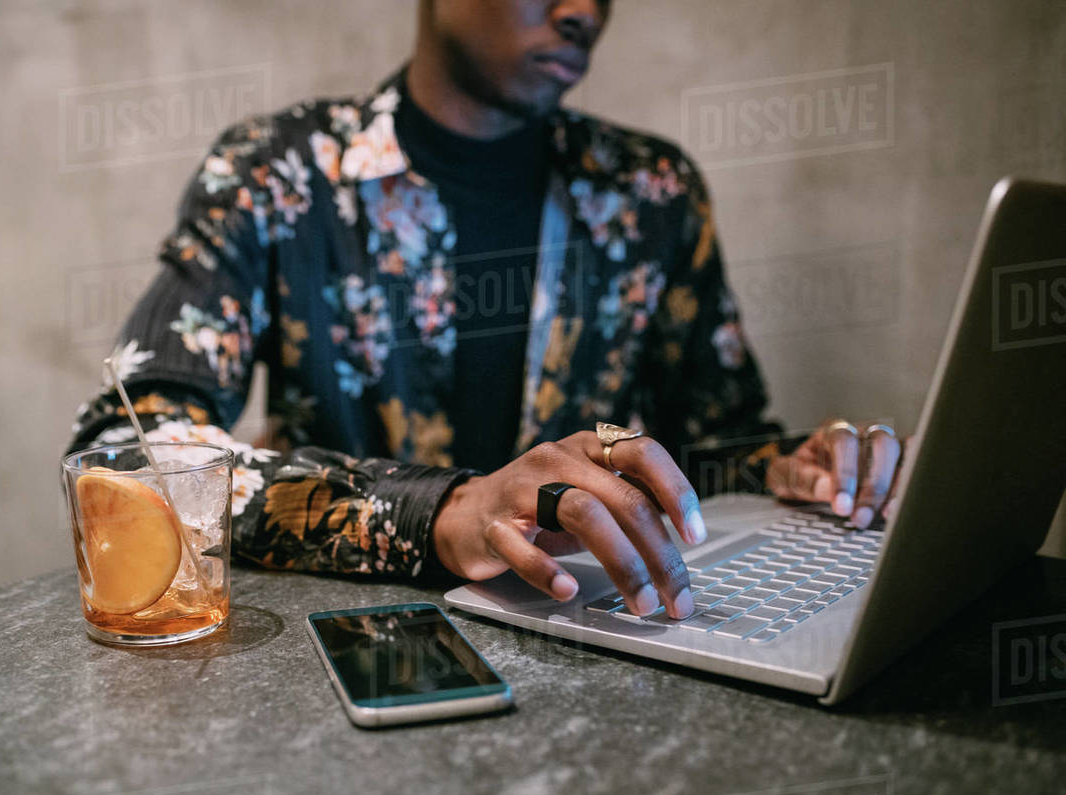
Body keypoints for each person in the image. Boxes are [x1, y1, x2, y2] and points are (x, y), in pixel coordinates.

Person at [68, 0, 904, 621]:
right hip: (347, 656)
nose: (585, 11)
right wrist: (439, 511)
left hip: (603, 642)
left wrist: (798, 468)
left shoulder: (651, 193)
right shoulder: (280, 174)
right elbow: (125, 449)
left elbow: (716, 445)